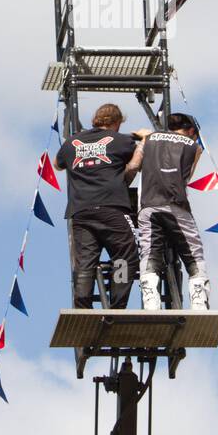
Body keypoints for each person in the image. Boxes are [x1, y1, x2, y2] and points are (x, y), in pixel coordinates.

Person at [55, 103, 148, 309]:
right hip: (111, 207)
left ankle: (82, 309)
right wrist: (142, 142)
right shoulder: (121, 140)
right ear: (116, 123)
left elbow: (57, 164)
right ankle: (117, 306)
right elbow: (136, 163)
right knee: (125, 257)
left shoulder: (71, 143)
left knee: (85, 262)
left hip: (80, 211)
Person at [137, 112, 212, 312]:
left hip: (148, 205)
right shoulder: (194, 146)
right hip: (175, 205)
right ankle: (199, 301)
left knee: (149, 252)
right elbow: (186, 178)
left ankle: (150, 300)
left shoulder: (149, 139)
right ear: (191, 131)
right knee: (193, 254)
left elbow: (135, 164)